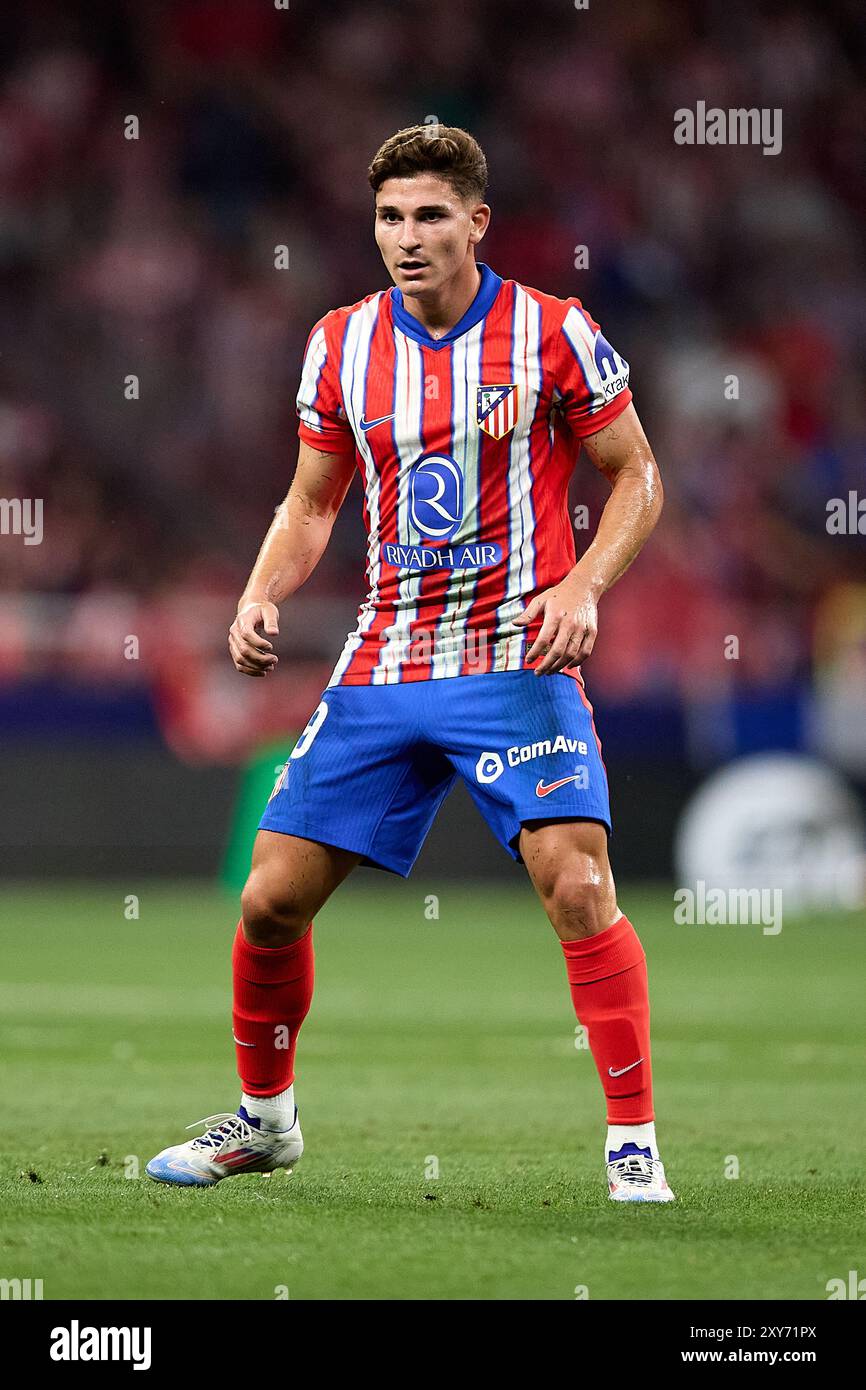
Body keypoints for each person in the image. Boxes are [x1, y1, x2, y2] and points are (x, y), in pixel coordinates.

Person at [147, 124, 673, 1202]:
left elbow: (638, 476)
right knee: (266, 903)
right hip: (386, 658)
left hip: (511, 660)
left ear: (477, 221)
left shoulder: (552, 332)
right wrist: (259, 593)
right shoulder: (340, 343)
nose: (406, 235)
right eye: (389, 217)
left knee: (576, 885)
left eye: (429, 214)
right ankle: (264, 1123)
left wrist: (579, 587)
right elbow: (309, 503)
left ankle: (632, 1143)